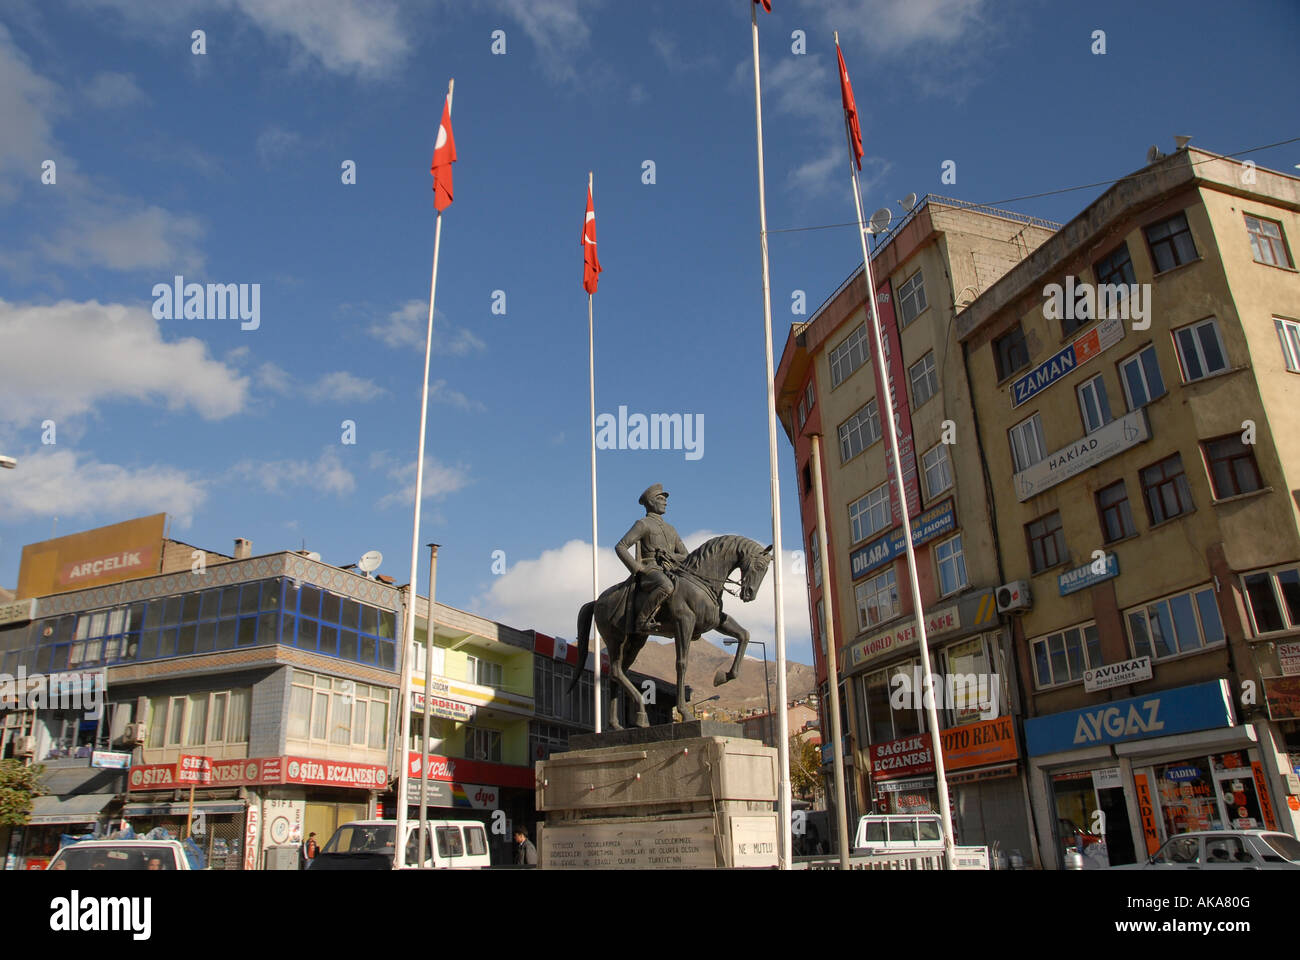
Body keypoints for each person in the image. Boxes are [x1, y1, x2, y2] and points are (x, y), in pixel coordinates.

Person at [615, 483, 689, 634]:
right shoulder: (643, 524)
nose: (665, 502)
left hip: (671, 570)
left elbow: (686, 556)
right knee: (666, 586)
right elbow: (621, 546)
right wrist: (637, 568)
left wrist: (672, 556)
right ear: (650, 502)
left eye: (665, 499)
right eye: (661, 498)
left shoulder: (671, 529)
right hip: (651, 570)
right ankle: (642, 620)